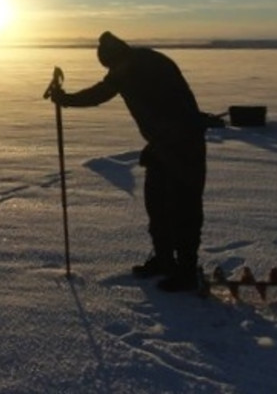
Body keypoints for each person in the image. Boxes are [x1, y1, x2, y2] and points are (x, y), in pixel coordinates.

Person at [50, 31, 207, 292]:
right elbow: (108, 89)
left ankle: (187, 270)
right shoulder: (137, 62)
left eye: (110, 65)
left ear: (117, 57)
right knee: (157, 204)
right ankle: (165, 260)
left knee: (184, 208)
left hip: (183, 144)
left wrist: (66, 100)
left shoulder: (138, 66)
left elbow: (101, 93)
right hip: (162, 145)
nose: (111, 71)